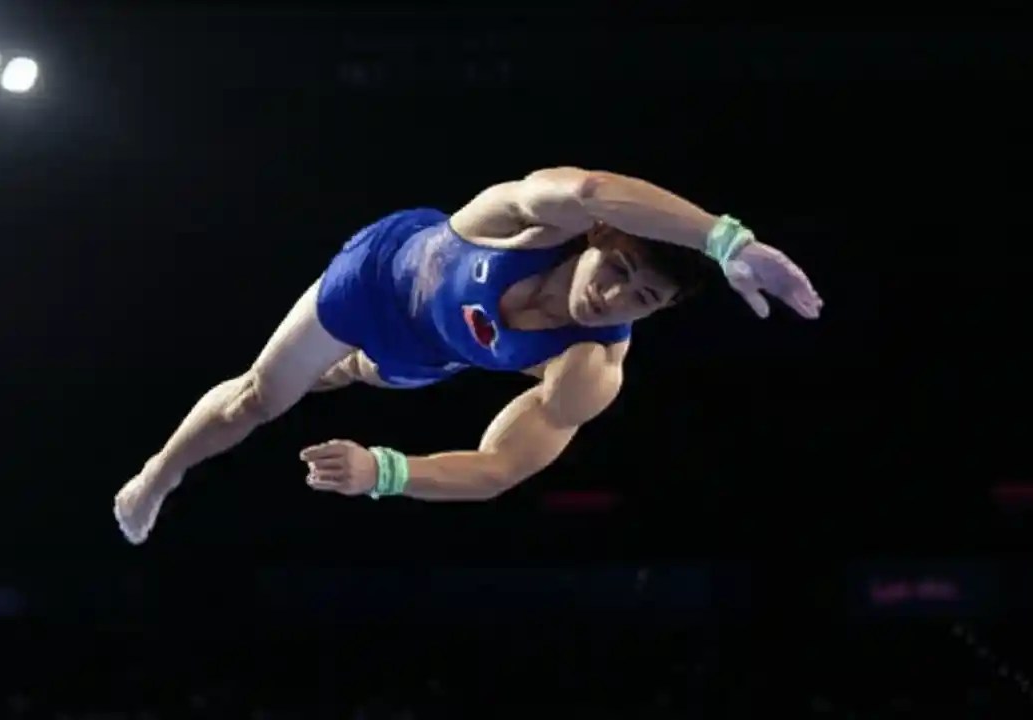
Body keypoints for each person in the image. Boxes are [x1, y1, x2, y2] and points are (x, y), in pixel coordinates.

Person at [113, 166, 822, 544]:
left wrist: (385, 472)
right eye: (615, 272)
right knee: (262, 399)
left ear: (660, 312)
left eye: (641, 299)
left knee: (348, 374)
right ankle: (160, 471)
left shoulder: (591, 370)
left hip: (424, 356)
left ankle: (348, 369)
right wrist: (726, 240)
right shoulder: (529, 223)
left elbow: (498, 469)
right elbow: (590, 188)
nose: (611, 299)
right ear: (598, 239)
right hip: (377, 278)